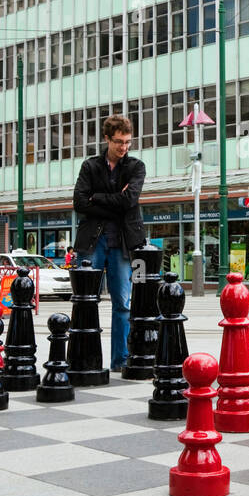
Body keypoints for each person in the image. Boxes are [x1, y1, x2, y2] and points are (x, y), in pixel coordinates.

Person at [73, 114, 145, 372]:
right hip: (92, 241)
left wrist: (97, 199)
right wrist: (115, 200)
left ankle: (119, 360)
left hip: (123, 243)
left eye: (127, 142)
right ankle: (85, 360)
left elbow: (130, 201)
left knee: (123, 304)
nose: (123, 147)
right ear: (107, 139)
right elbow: (79, 203)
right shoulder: (90, 166)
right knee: (85, 300)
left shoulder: (136, 167)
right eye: (118, 142)